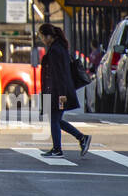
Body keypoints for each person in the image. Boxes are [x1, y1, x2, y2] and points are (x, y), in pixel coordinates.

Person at [39, 23, 91, 159]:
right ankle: (81, 138)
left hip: (58, 91)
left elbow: (59, 74)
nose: (42, 40)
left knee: (55, 120)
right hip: (59, 90)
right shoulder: (59, 48)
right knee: (57, 120)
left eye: (42, 37)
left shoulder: (56, 50)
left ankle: (58, 149)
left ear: (49, 36)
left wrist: (61, 95)